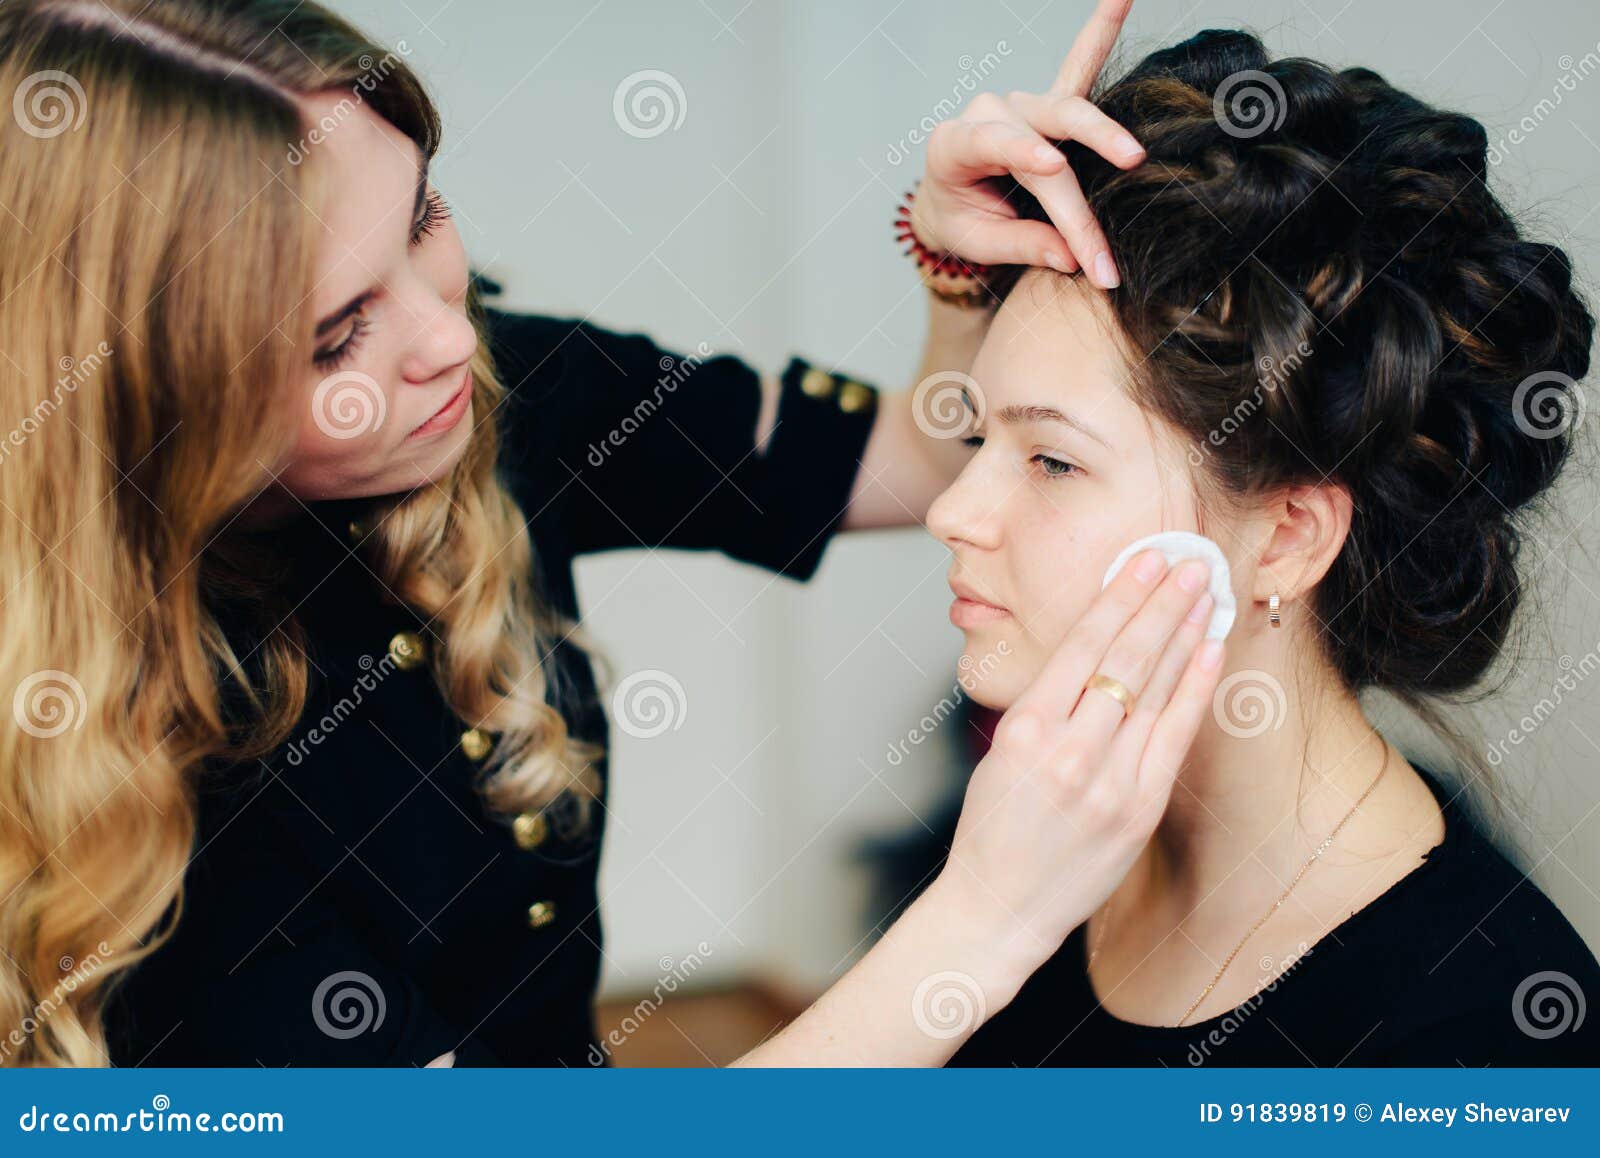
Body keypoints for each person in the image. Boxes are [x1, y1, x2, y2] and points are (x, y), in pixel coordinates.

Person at [1, 0, 1231, 1067]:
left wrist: (958, 262)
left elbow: (922, 465)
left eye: (424, 221)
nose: (445, 339)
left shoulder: (495, 383)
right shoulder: (130, 776)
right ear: (151, 393)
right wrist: (987, 920)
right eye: (335, 336)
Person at [927, 29, 1600, 1065]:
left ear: (1286, 539)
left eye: (1051, 461)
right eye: (978, 437)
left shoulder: (1475, 1039)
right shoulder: (1028, 853)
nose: (950, 513)